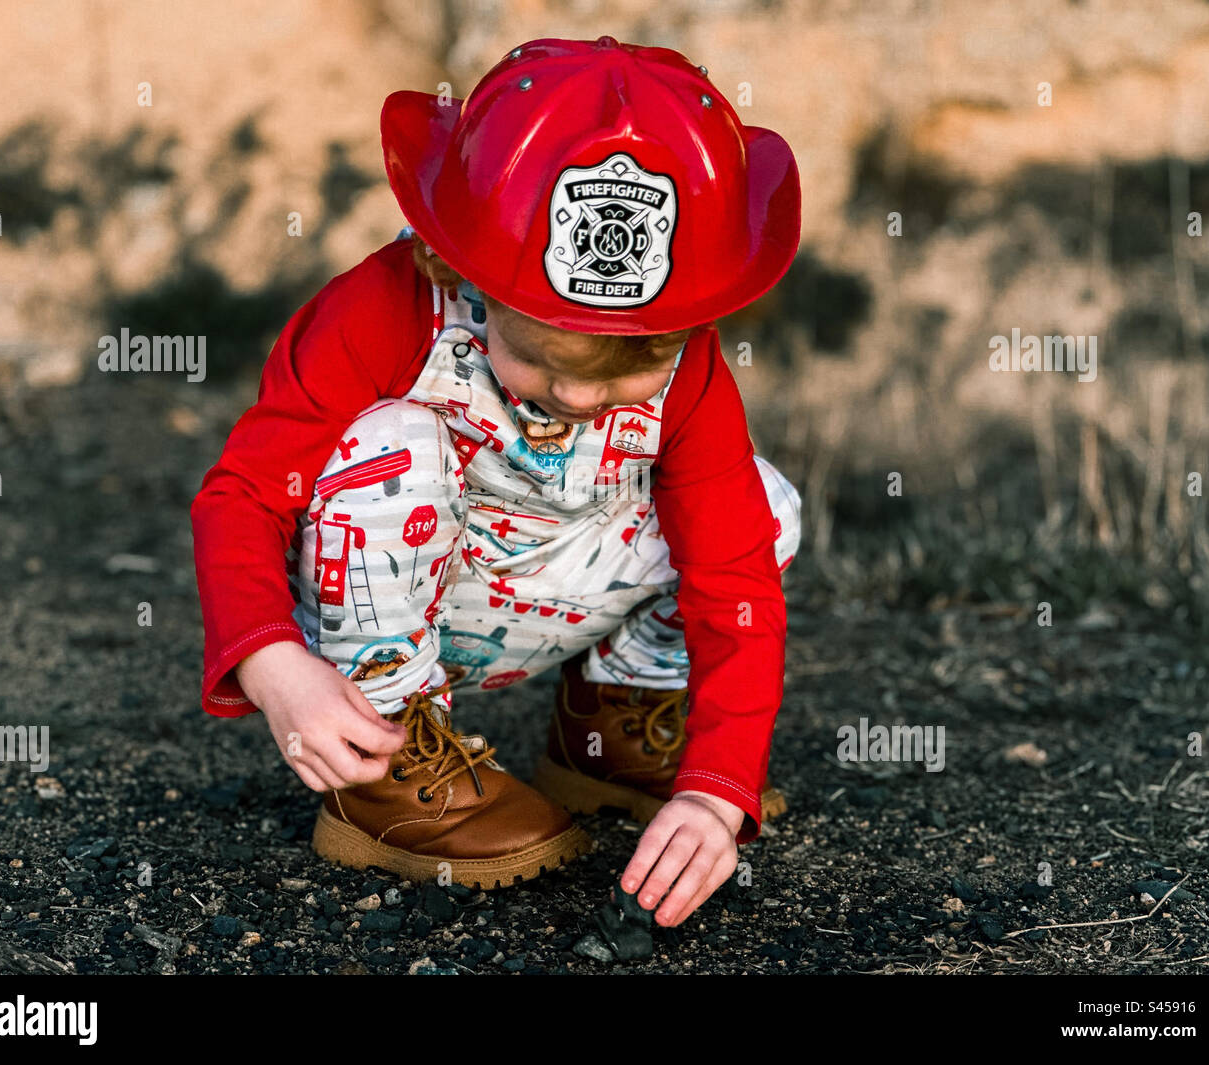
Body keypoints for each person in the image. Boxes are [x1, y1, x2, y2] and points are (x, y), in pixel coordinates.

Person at [191, 35, 801, 928]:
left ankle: (616, 722)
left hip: (559, 580)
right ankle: (390, 761)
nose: (586, 396)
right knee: (392, 444)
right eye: (548, 359)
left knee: (763, 505)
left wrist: (718, 790)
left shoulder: (694, 365)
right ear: (457, 265)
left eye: (636, 365)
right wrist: (277, 669)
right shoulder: (383, 307)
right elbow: (240, 496)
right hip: (396, 590)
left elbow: (733, 578)